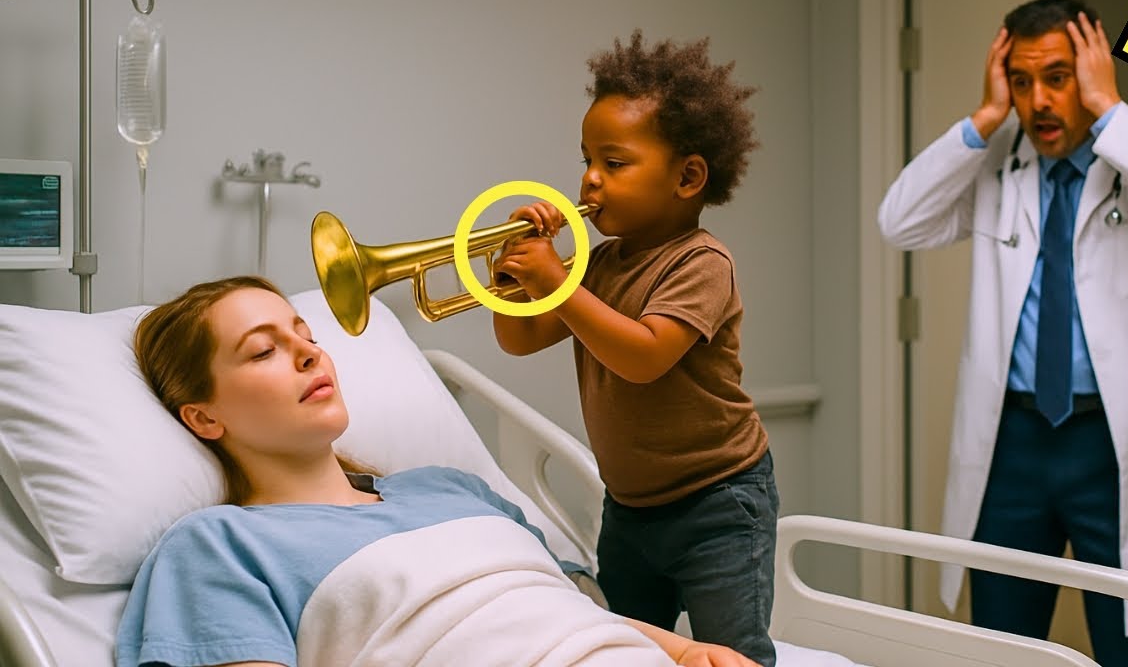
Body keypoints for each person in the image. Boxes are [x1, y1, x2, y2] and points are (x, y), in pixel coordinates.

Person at [116, 275, 760, 667]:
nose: (309, 353)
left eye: (305, 333)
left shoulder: (449, 487)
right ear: (203, 418)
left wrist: (683, 649)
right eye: (263, 350)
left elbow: (563, 615)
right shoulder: (221, 547)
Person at [877, 0, 1128, 666]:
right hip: (1013, 448)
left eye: (1058, 78)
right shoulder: (995, 160)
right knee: (1002, 651)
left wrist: (1111, 113)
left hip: (1116, 449)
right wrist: (984, 119)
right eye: (1020, 81)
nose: (1037, 100)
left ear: (1094, 71)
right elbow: (900, 222)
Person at [491, 30, 778, 666]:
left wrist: (554, 280)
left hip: (719, 500)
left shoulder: (703, 263)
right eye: (586, 159)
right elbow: (520, 338)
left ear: (688, 177)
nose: (589, 180)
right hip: (630, 509)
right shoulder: (598, 263)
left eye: (614, 163)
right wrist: (510, 280)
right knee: (620, 649)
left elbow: (643, 356)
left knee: (735, 654)